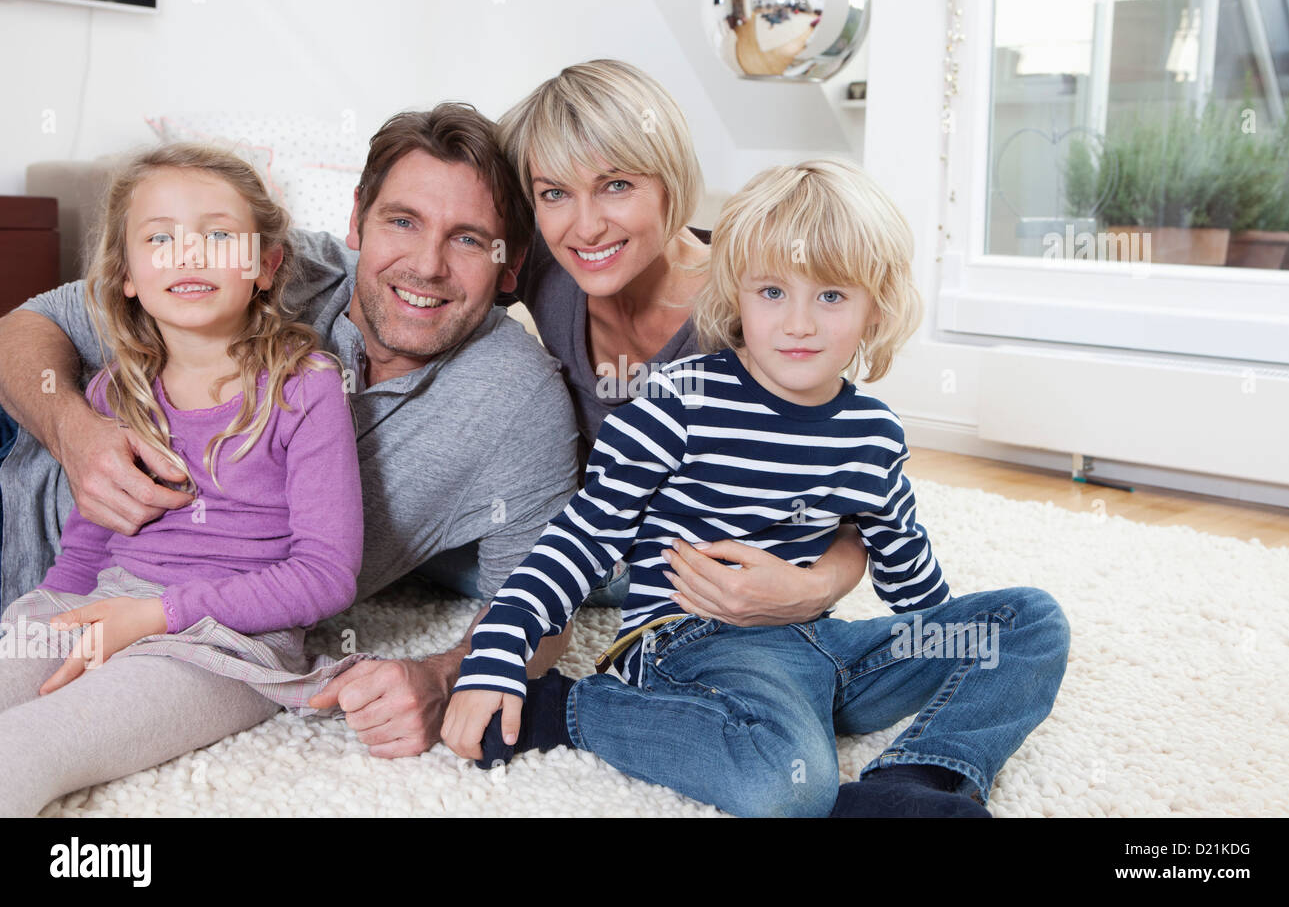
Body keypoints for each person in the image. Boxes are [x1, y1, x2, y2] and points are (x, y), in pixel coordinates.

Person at [441, 160, 1071, 818]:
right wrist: (497, 654)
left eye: (830, 296)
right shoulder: (678, 401)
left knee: (1031, 619)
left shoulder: (873, 433)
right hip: (692, 647)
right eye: (772, 292)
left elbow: (913, 587)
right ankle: (567, 710)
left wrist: (947, 648)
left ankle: (916, 779)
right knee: (790, 787)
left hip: (823, 649)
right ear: (736, 294)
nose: (798, 324)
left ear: (873, 309)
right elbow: (581, 537)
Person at [0, 104, 580, 758]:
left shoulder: (516, 400)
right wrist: (73, 432)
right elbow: (24, 328)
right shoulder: (264, 265)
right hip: (28, 478)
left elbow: (539, 604)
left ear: (510, 265)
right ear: (357, 217)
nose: (427, 264)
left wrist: (443, 677)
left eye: (468, 239)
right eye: (403, 221)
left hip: (186, 625)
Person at [0, 143, 370, 817]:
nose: (188, 254)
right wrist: (50, 621)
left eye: (218, 235)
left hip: (224, 644)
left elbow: (325, 574)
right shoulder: (115, 389)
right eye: (160, 238)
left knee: (24, 748)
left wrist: (155, 617)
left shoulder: (306, 387)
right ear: (128, 275)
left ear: (264, 265)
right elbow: (86, 549)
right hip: (112, 605)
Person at [495, 57, 869, 628]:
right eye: (554, 193)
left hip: (695, 574)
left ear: (671, 181)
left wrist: (812, 588)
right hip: (581, 545)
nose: (586, 226)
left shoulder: (751, 303)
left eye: (616, 185)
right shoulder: (547, 264)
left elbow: (857, 493)